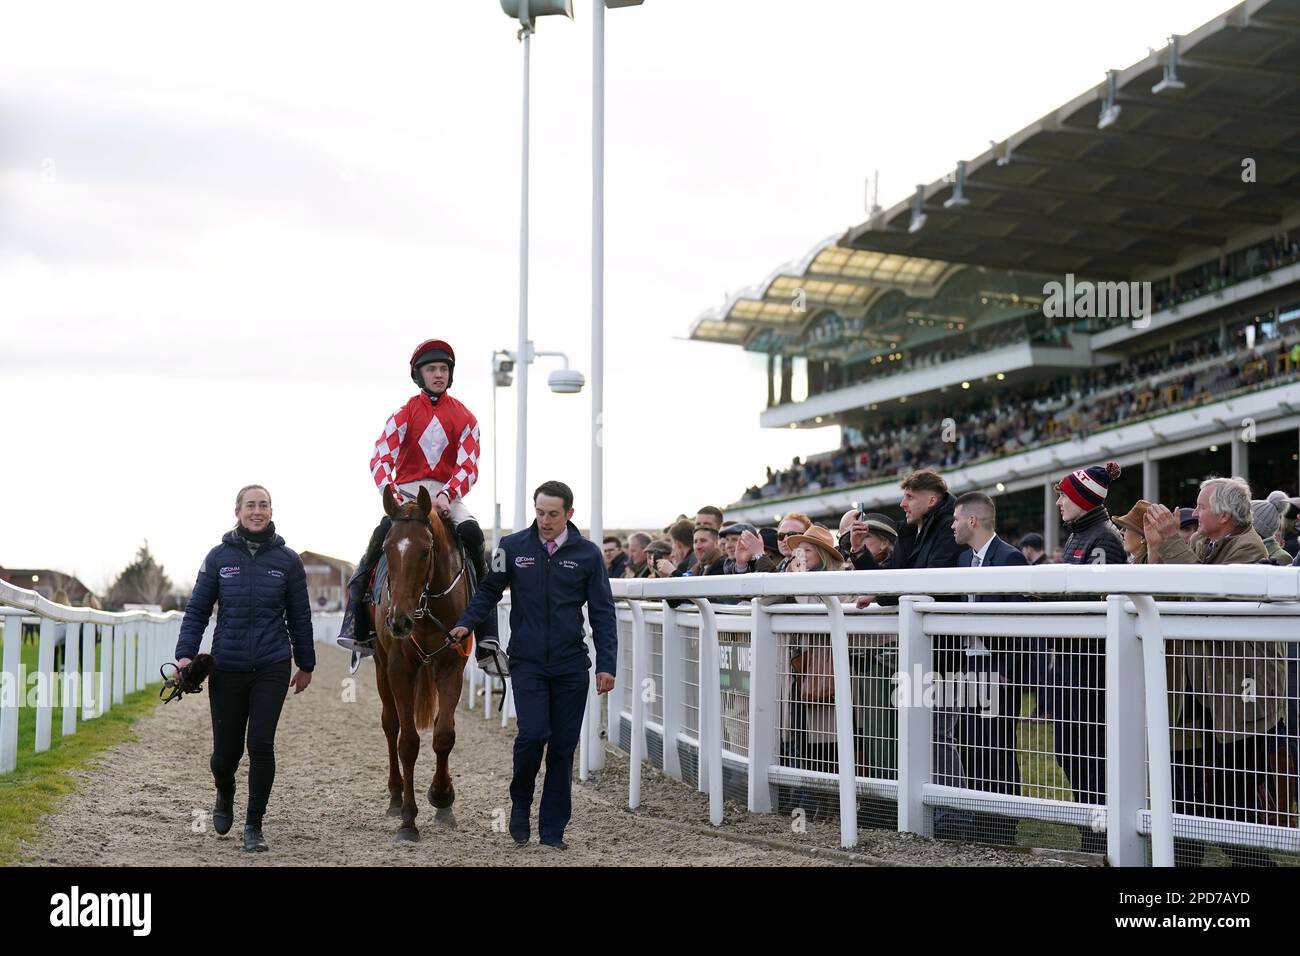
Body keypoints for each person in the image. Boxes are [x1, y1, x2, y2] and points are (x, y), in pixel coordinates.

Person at [448, 481, 615, 850]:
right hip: (527, 662)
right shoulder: (512, 547)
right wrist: (466, 622)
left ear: (569, 514)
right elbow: (489, 590)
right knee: (533, 734)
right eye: (539, 513)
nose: (545, 520)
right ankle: (520, 801)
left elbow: (603, 613)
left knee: (562, 747)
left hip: (572, 665)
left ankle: (553, 831)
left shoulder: (587, 555)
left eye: (553, 514)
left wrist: (607, 664)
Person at [335, 339, 502, 675]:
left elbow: (469, 465)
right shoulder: (403, 413)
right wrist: (393, 493)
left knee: (472, 534)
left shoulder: (465, 417)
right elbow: (381, 457)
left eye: (443, 369)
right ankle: (358, 627)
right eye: (432, 369)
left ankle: (488, 640)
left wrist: (448, 494)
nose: (438, 374)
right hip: (406, 492)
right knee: (379, 539)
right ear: (419, 375)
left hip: (446, 494)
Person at [1146, 479, 1290, 866]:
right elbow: (1164, 594)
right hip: (1208, 703)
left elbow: (1205, 594)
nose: (1194, 513)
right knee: (1199, 805)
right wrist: (1157, 548)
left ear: (1224, 516)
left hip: (1243, 706)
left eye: (1201, 506)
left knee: (1233, 814)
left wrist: (1173, 541)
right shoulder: (1202, 545)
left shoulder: (1249, 549)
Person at [174, 484, 315, 853]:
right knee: (226, 754)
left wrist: (306, 663)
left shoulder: (288, 561)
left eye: (263, 505)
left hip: (271, 664)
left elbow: (301, 615)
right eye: (250, 505)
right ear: (237, 511)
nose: (257, 511)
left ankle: (254, 824)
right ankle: (225, 792)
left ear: (271, 511)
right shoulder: (219, 558)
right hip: (227, 666)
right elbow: (197, 609)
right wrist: (186, 655)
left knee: (261, 744)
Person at [1052, 460, 1126, 854]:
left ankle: (1102, 834)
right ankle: (1094, 828)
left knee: (1087, 752)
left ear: (1082, 497)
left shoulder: (1103, 538)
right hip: (1072, 662)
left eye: (1064, 494)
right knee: (1068, 750)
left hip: (1091, 667)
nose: (1059, 502)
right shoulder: (1079, 535)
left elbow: (1092, 603)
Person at [949, 492, 1028, 844]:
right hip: (968, 666)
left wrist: (1011, 668)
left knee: (997, 746)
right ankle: (982, 818)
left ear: (972, 521)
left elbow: (1021, 622)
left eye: (955, 519)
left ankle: (1004, 823)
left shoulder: (1009, 557)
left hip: (999, 668)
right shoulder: (964, 558)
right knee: (970, 742)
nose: (951, 526)